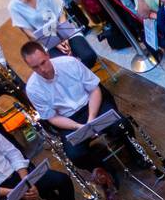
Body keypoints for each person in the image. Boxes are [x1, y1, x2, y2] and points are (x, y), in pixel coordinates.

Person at [22, 43, 144, 172]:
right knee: (76, 156)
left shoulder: (69, 63)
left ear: (47, 55)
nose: (43, 70)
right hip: (69, 121)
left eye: (43, 62)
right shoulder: (32, 89)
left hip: (92, 105)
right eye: (35, 67)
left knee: (122, 124)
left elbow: (94, 90)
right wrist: (79, 127)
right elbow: (53, 117)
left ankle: (134, 152)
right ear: (29, 66)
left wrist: (91, 120)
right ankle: (104, 172)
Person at [8, 0, 98, 67]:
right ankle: (79, 78)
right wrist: (54, 42)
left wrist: (64, 37)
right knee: (65, 67)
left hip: (65, 32)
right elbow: (29, 33)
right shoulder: (14, 6)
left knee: (89, 56)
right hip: (45, 43)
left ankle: (81, 75)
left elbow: (61, 14)